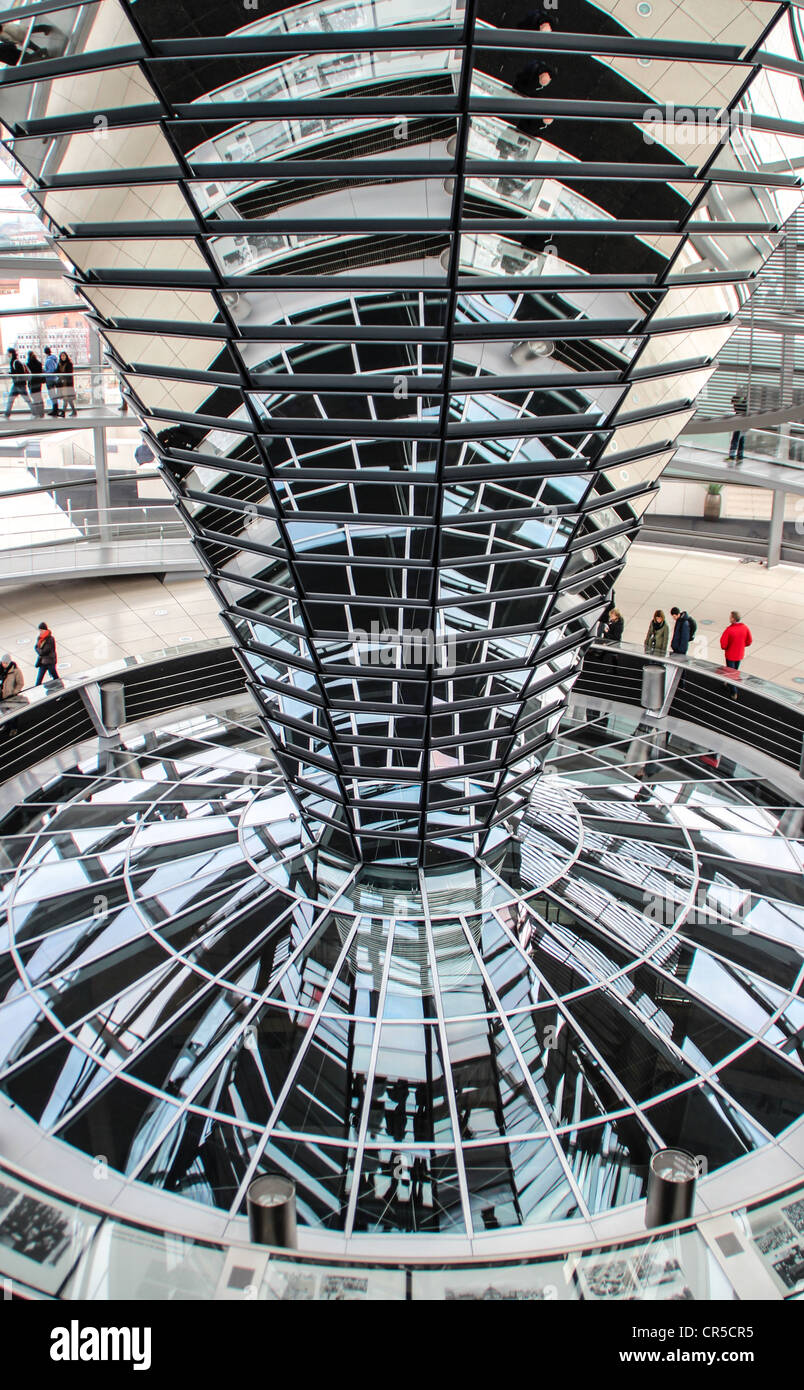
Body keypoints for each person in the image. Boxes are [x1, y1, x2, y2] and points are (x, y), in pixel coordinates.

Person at [4, 347, 32, 417]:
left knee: (26, 400)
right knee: (12, 399)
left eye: (8, 353)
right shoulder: (14, 361)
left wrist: (11, 374)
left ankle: (35, 412)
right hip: (18, 384)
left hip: (19, 384)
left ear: (11, 353)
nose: (7, 354)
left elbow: (19, 373)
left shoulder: (15, 362)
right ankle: (7, 414)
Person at [56, 351, 77, 416]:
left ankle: (63, 412)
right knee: (68, 399)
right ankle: (73, 411)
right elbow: (57, 372)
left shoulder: (69, 364)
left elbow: (69, 374)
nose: (63, 357)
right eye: (61, 356)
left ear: (66, 356)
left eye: (64, 356)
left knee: (66, 398)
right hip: (62, 384)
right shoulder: (59, 364)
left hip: (67, 384)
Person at [729, 390, 747, 464]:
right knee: (741, 439)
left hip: (740, 421)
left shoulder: (742, 402)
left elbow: (733, 402)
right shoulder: (744, 401)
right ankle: (740, 456)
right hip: (744, 422)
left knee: (736, 439)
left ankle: (732, 456)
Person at [26, 349, 45, 418]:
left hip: (32, 383)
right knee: (39, 397)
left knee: (34, 397)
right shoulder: (39, 363)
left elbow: (28, 374)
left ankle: (37, 412)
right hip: (38, 382)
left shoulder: (28, 364)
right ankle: (42, 412)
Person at [43, 344, 59, 416]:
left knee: (52, 395)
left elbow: (51, 370)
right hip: (55, 378)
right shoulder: (54, 359)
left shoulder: (49, 360)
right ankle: (55, 409)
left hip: (50, 379)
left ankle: (55, 410)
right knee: (53, 394)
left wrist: (44, 372)